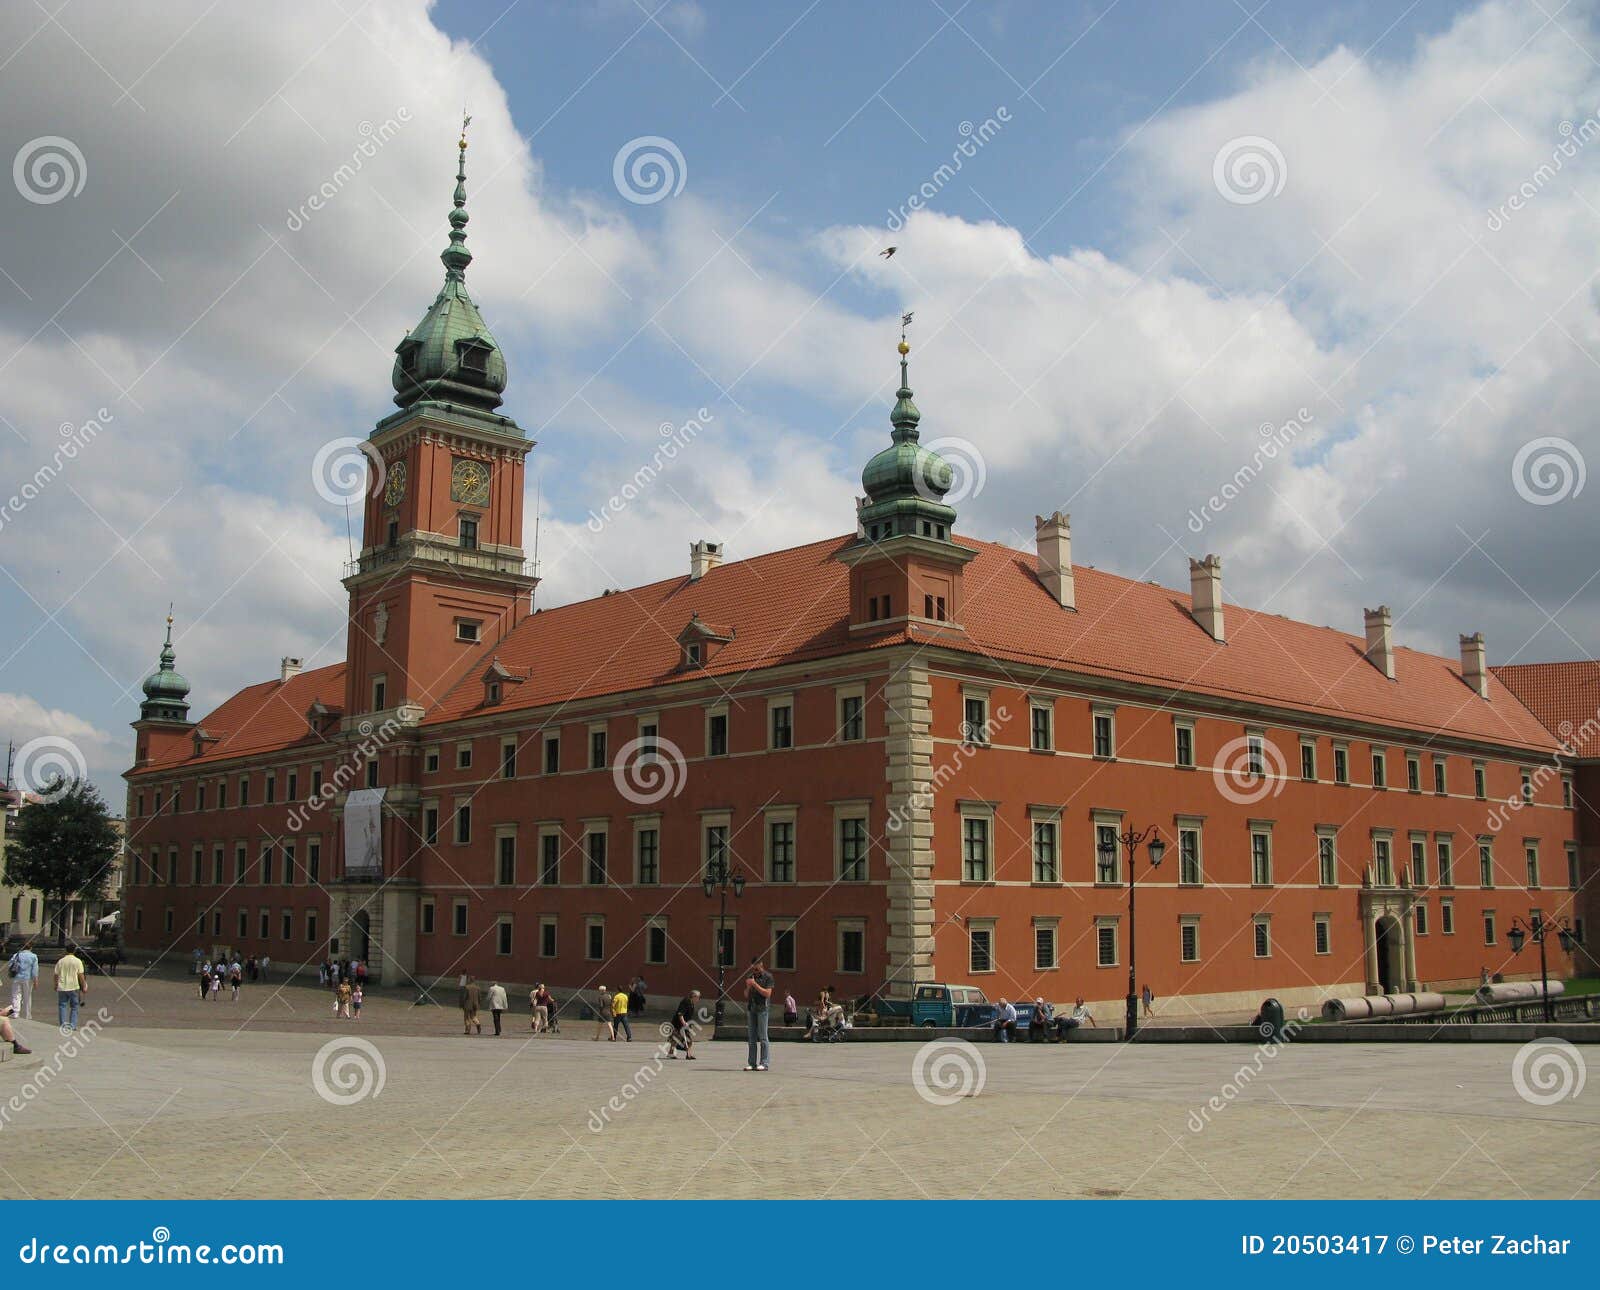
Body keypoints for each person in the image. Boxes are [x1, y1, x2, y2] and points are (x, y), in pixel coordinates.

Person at [743, 955, 773, 1071]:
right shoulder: (750, 977)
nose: (755, 971)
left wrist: (755, 984)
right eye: (753, 969)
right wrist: (748, 987)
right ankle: (751, 1063)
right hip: (751, 1008)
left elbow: (767, 994)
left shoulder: (768, 977)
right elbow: (745, 995)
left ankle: (764, 1063)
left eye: (757, 968)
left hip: (762, 1009)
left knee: (763, 1036)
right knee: (751, 1037)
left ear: (761, 966)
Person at [54, 946, 87, 1031]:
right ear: (74, 951)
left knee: (62, 1005)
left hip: (62, 987)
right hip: (74, 986)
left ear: (66, 950)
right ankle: (72, 1025)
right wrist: (84, 986)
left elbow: (56, 974)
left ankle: (63, 1024)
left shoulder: (60, 961)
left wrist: (55, 984)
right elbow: (81, 975)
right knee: (74, 1006)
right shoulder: (78, 961)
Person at [8, 940, 39, 1020]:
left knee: (16, 995)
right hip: (27, 979)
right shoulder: (33, 956)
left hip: (16, 977)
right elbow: (35, 970)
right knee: (27, 996)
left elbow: (10, 965)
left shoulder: (16, 955)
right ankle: (27, 1014)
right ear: (31, 947)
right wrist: (35, 980)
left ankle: (15, 1013)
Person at [669, 989, 701, 1058]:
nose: (699, 999)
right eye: (698, 997)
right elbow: (680, 1013)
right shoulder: (686, 1001)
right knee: (676, 1039)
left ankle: (687, 1054)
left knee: (685, 1040)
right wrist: (683, 1023)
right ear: (693, 996)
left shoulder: (691, 1003)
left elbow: (688, 1016)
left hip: (685, 1025)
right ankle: (674, 1053)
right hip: (678, 1024)